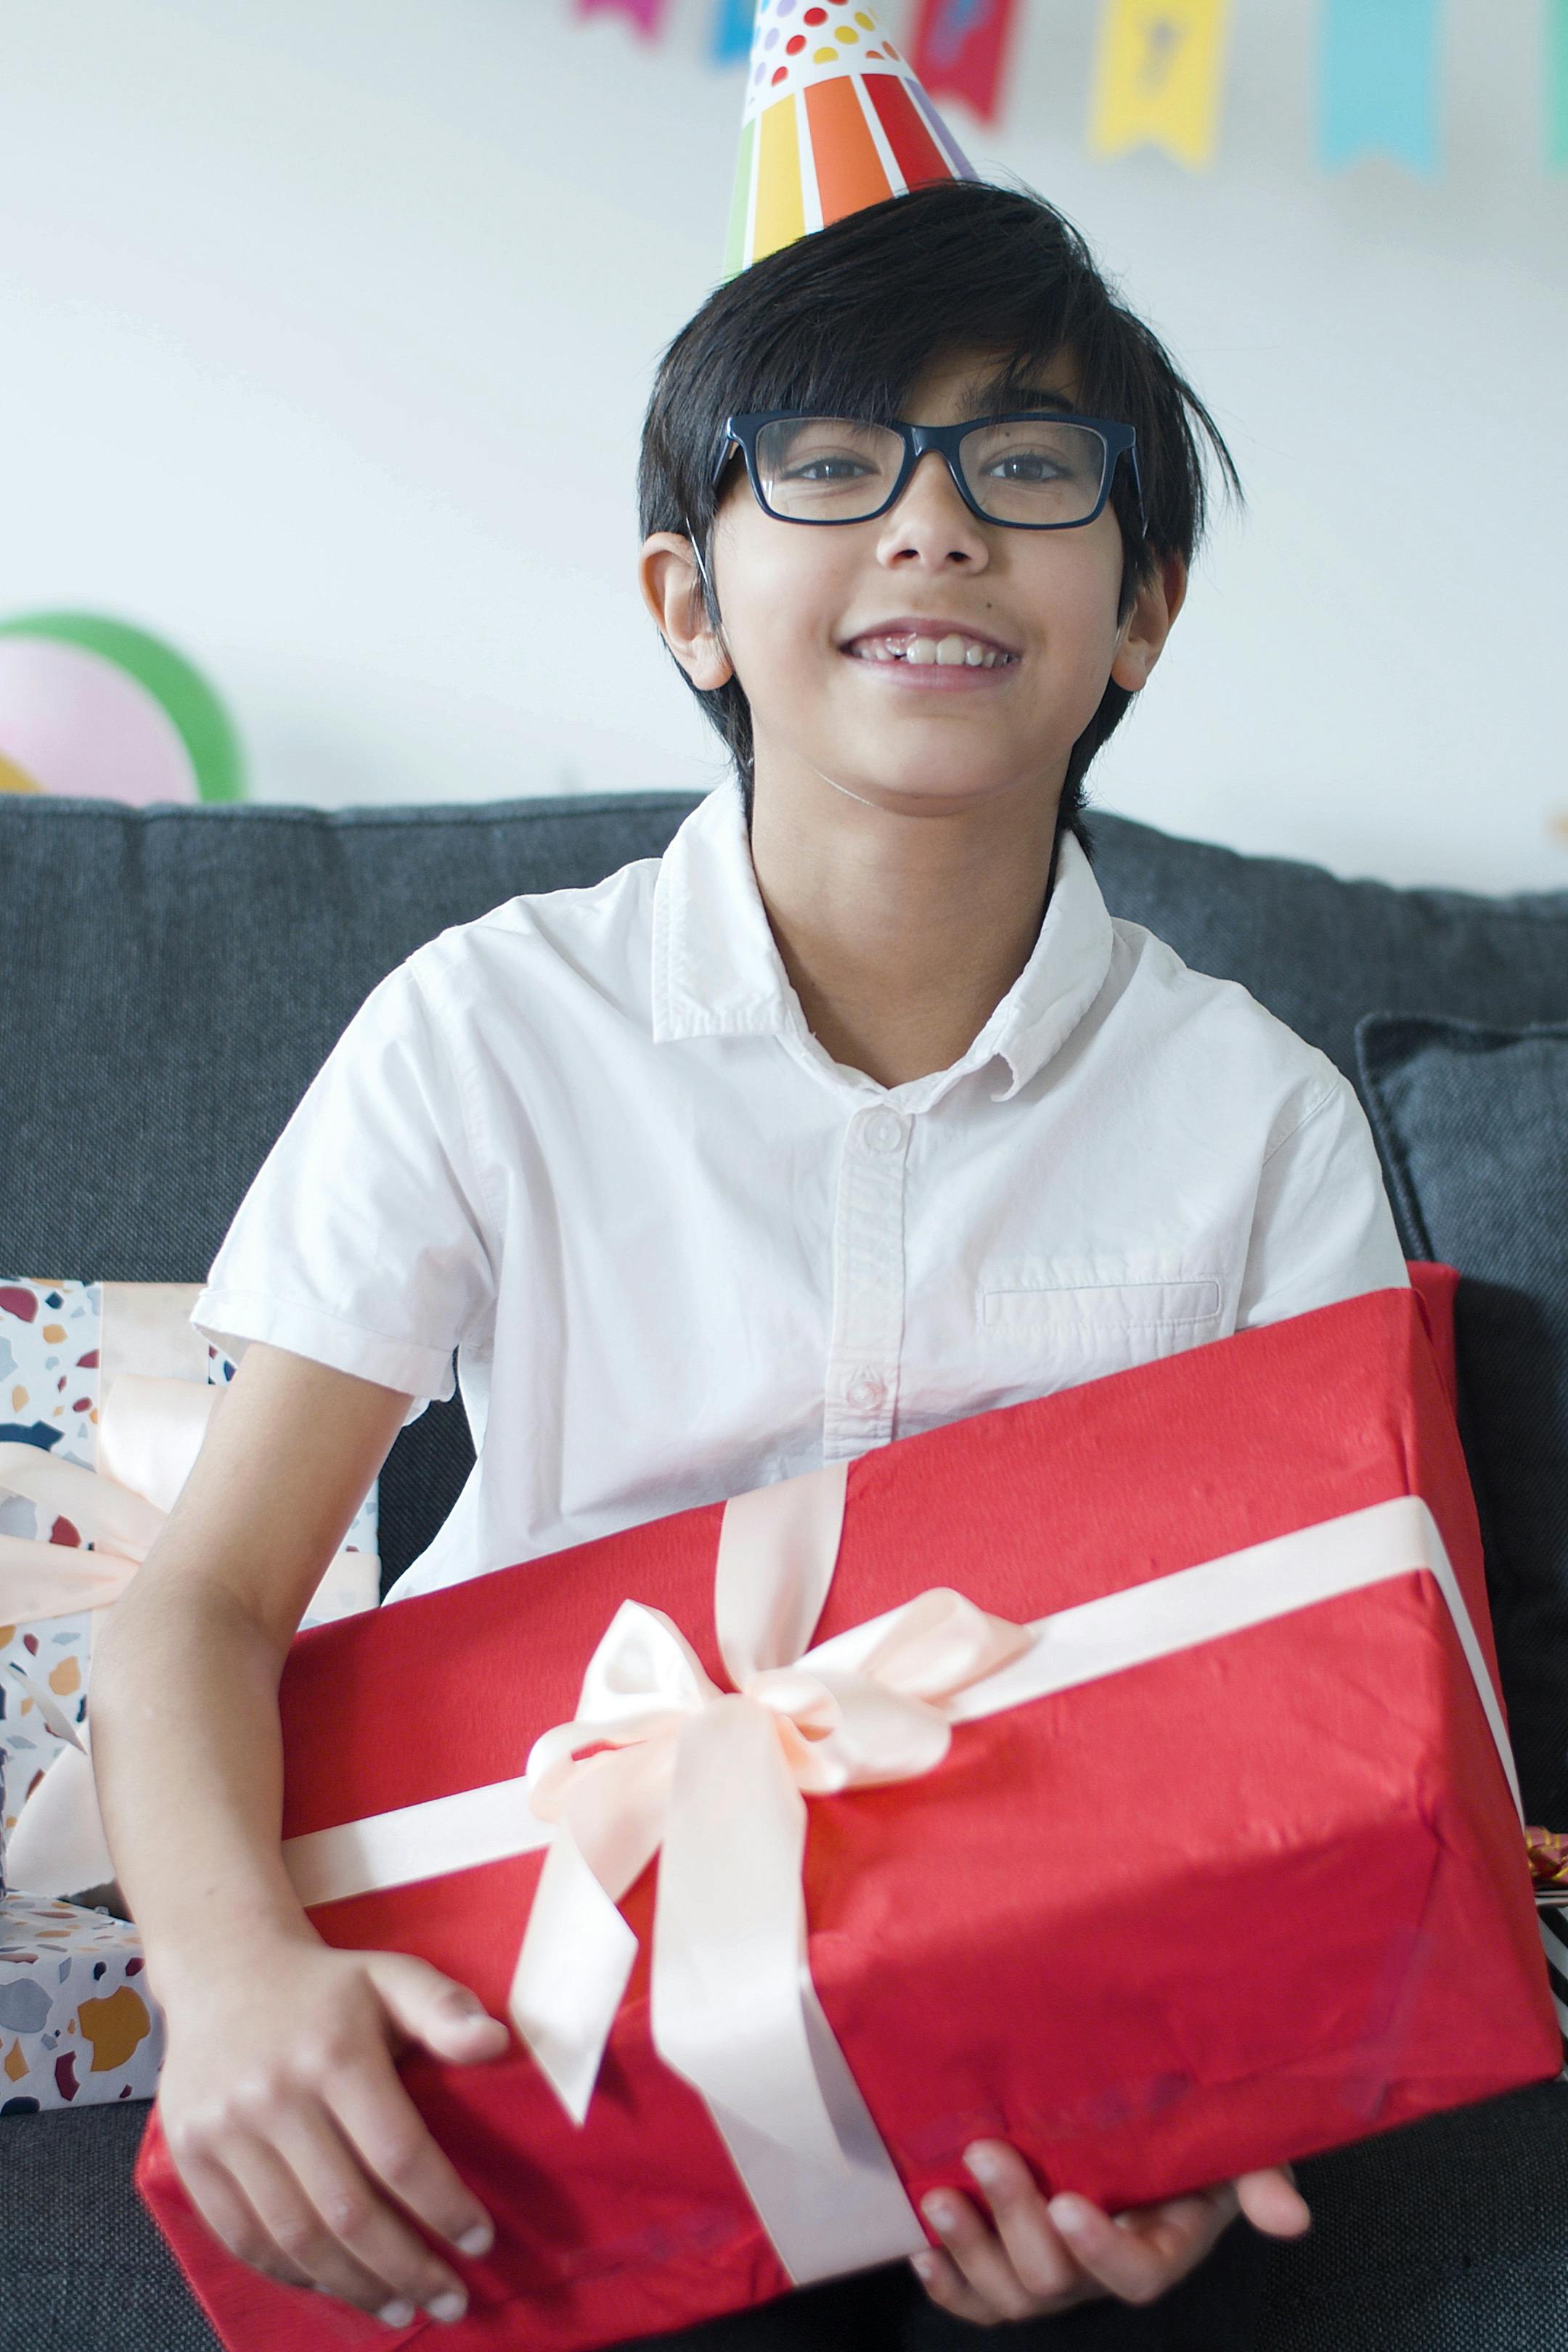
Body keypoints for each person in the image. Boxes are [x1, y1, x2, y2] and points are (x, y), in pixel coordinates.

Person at [91, 173, 1408, 2348]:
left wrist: (1198, 2128)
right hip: (537, 2024)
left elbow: (1332, 1718)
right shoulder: (490, 1027)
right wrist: (234, 1984)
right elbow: (205, 1611)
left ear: (1144, 606)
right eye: (829, 463)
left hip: (1037, 2055)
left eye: (1028, 464)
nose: (933, 524)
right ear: (688, 597)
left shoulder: (1261, 1123)